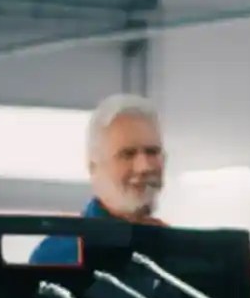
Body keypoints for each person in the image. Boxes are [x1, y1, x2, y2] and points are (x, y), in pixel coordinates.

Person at [29, 93, 166, 264]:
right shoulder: (61, 254)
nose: (144, 167)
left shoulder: (179, 250)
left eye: (152, 152)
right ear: (94, 167)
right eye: (127, 154)